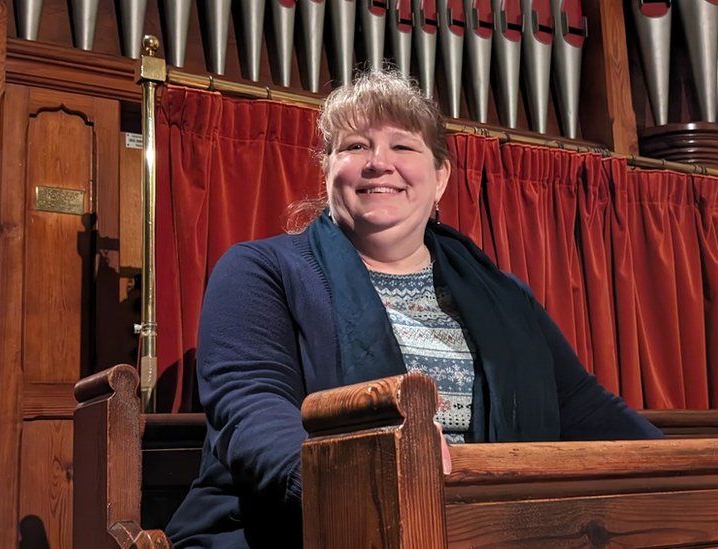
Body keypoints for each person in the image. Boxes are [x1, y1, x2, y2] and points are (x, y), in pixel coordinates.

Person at [165, 69, 662, 548]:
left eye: (403, 145)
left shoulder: (505, 295)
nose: (380, 162)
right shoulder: (259, 270)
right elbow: (252, 407)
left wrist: (702, 473)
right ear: (328, 170)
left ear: (441, 177)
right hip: (298, 529)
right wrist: (371, 480)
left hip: (479, 528)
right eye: (355, 146)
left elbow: (583, 406)